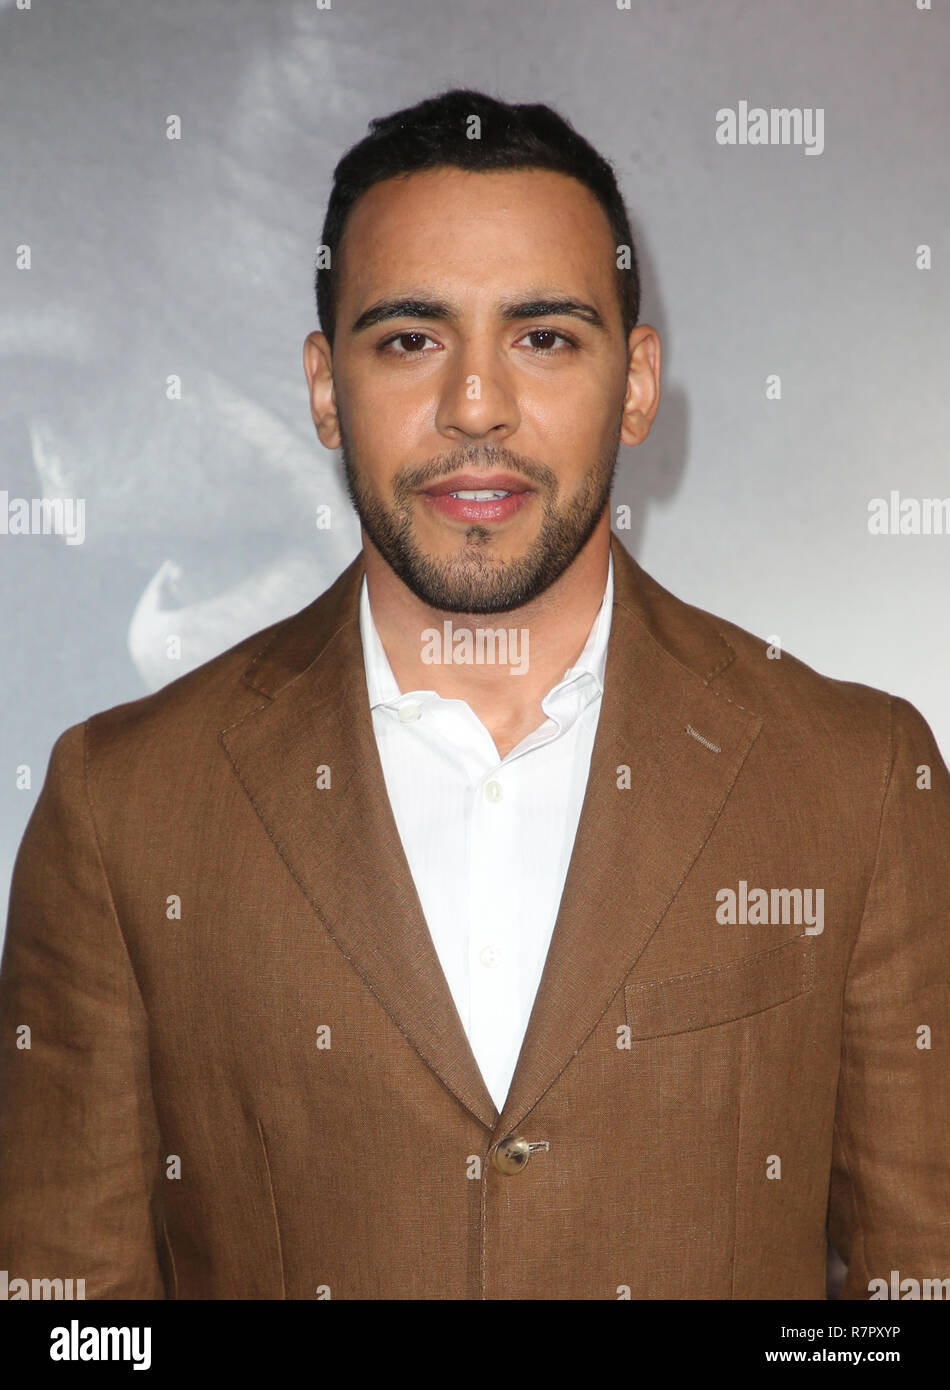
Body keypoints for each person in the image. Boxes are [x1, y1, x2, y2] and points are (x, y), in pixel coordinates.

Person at [1, 88, 948, 1301]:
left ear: (639, 381)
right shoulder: (120, 803)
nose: (475, 405)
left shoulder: (853, 776)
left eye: (543, 336)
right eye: (410, 339)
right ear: (324, 387)